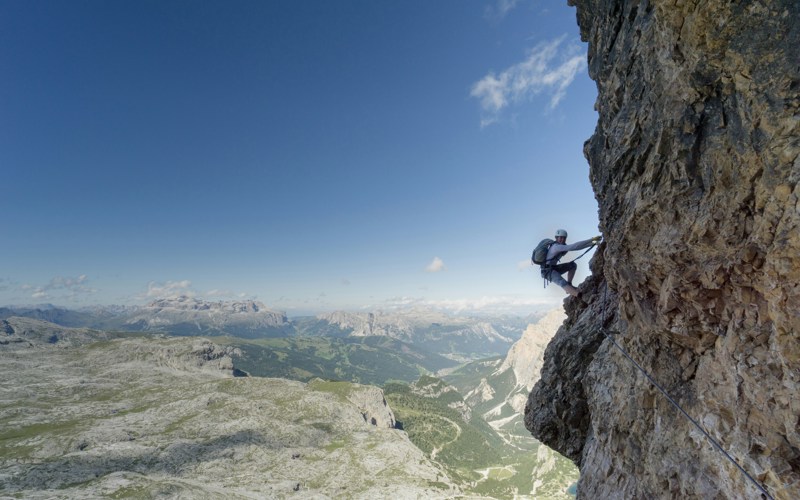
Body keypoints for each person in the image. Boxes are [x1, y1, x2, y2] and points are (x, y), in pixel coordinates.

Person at [541, 229, 602, 297]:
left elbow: (577, 247)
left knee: (572, 265)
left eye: (564, 238)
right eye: (560, 237)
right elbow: (574, 246)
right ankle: (579, 295)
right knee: (562, 282)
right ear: (556, 238)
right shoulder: (556, 247)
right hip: (547, 271)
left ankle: (569, 285)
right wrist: (591, 240)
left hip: (553, 268)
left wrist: (592, 243)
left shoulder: (560, 246)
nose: (562, 239)